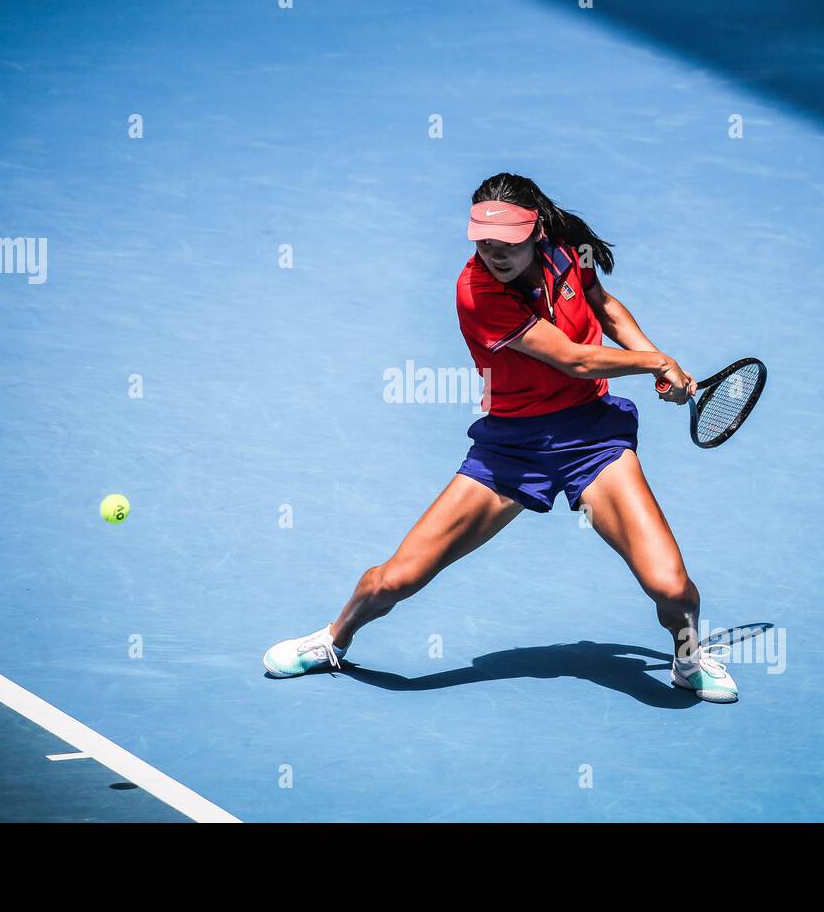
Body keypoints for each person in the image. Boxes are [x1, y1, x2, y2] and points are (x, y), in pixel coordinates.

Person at [262, 172, 737, 702]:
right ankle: (332, 638)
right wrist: (657, 362)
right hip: (512, 451)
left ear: (535, 230)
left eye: (507, 241)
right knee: (398, 578)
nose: (494, 252)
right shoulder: (477, 292)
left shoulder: (568, 251)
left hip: (592, 441)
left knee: (671, 587)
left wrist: (652, 359)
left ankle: (688, 659)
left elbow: (604, 307)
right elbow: (574, 359)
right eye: (483, 241)